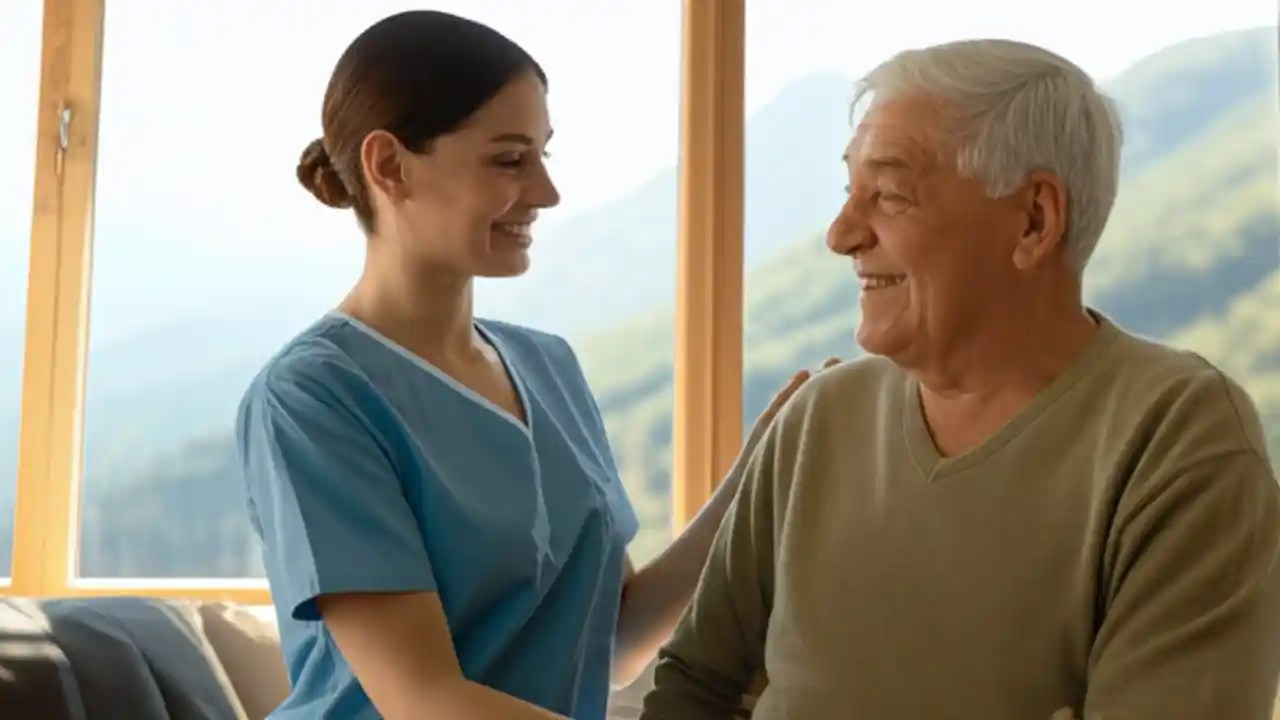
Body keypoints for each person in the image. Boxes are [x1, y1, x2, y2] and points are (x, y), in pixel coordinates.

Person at [641, 38, 1280, 720]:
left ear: (1034, 219)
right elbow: (693, 693)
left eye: (888, 194)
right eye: (848, 192)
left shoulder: (1178, 439)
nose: (841, 233)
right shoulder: (818, 419)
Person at [234, 10, 823, 720]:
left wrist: (754, 475)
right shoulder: (314, 397)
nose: (546, 192)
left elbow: (612, 645)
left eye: (544, 155)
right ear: (389, 165)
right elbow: (424, 700)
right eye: (510, 159)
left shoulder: (549, 367)